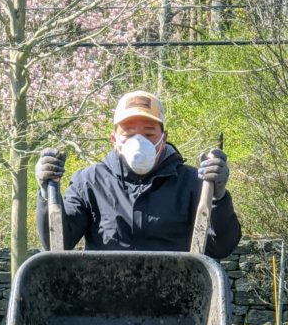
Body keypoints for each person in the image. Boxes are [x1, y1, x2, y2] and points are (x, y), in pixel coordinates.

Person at [34, 90, 241, 259]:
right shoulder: (89, 183)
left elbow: (220, 248)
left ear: (164, 138)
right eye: (129, 133)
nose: (139, 141)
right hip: (102, 302)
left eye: (149, 134)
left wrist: (218, 197)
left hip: (177, 302)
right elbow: (59, 242)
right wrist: (46, 194)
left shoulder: (191, 183)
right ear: (114, 139)